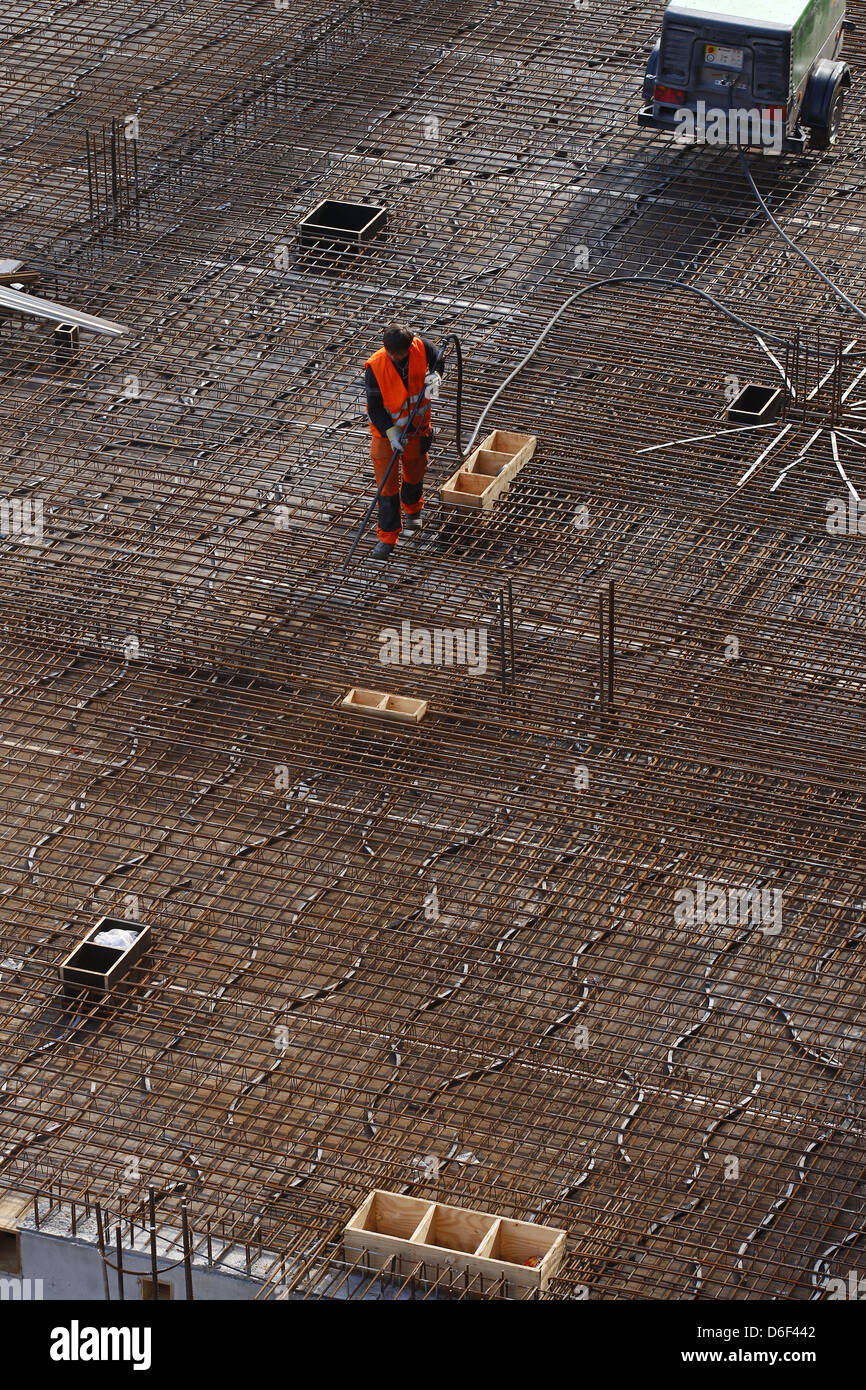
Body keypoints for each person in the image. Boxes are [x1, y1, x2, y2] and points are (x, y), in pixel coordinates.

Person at [364, 322, 445, 560]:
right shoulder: (375, 367)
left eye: (399, 353)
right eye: (390, 352)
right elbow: (375, 408)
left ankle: (412, 510)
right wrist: (390, 432)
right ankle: (387, 537)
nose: (394, 357)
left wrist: (437, 375)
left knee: (415, 470)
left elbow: (439, 358)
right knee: (386, 486)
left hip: (418, 427)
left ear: (409, 347)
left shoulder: (422, 348)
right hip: (386, 432)